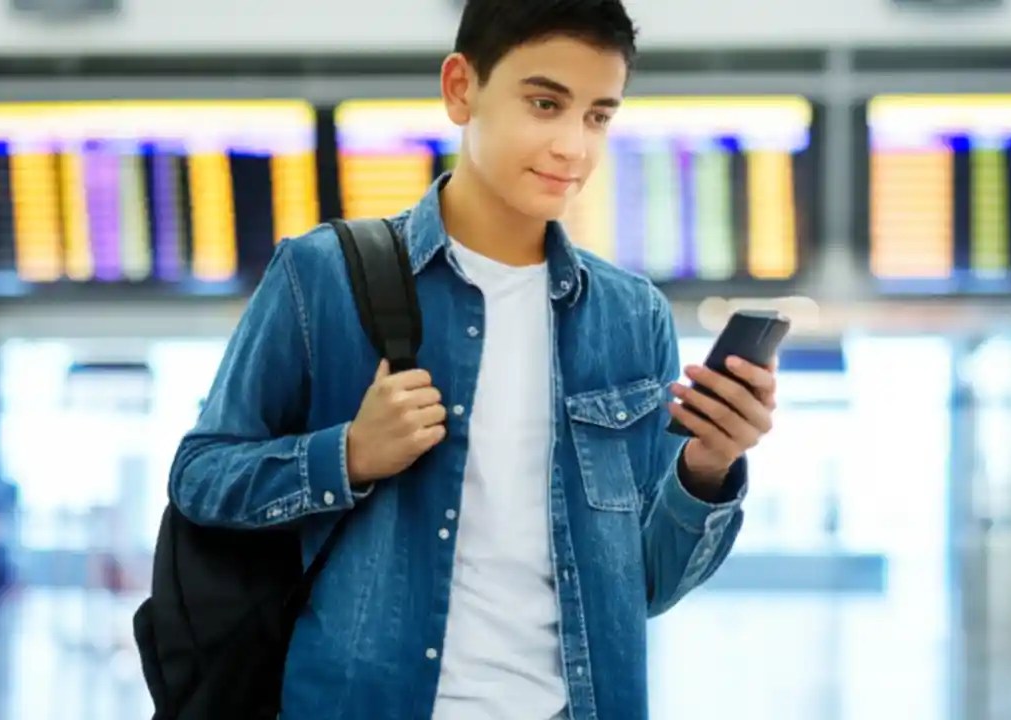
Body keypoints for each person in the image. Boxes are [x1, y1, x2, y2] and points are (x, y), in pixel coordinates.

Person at [168, 0, 780, 717]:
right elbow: (200, 476)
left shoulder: (629, 316)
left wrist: (706, 470)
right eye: (545, 103)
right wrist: (350, 455)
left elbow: (642, 587)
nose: (572, 148)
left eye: (597, 116)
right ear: (461, 87)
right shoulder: (321, 277)